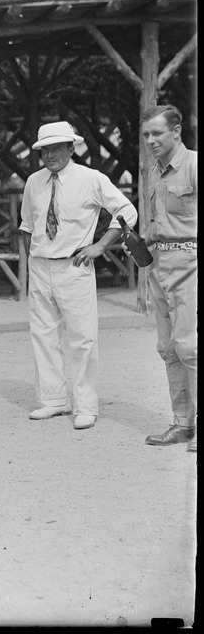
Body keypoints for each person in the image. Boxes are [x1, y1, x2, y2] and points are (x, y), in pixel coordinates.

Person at [19, 121, 138, 431]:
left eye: (58, 148)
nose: (50, 155)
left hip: (74, 265)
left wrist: (100, 245)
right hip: (40, 265)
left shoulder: (91, 179)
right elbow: (27, 227)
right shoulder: (34, 182)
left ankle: (86, 406)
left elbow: (127, 211)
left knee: (82, 338)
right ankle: (54, 400)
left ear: (72, 148)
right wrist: (26, 267)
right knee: (43, 333)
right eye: (45, 149)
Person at [139, 105, 197, 453]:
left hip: (190, 264)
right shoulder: (154, 172)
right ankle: (182, 424)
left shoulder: (193, 165)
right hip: (159, 265)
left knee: (191, 346)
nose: (150, 140)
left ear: (176, 131)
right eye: (146, 134)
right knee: (168, 349)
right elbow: (156, 223)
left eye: (157, 133)